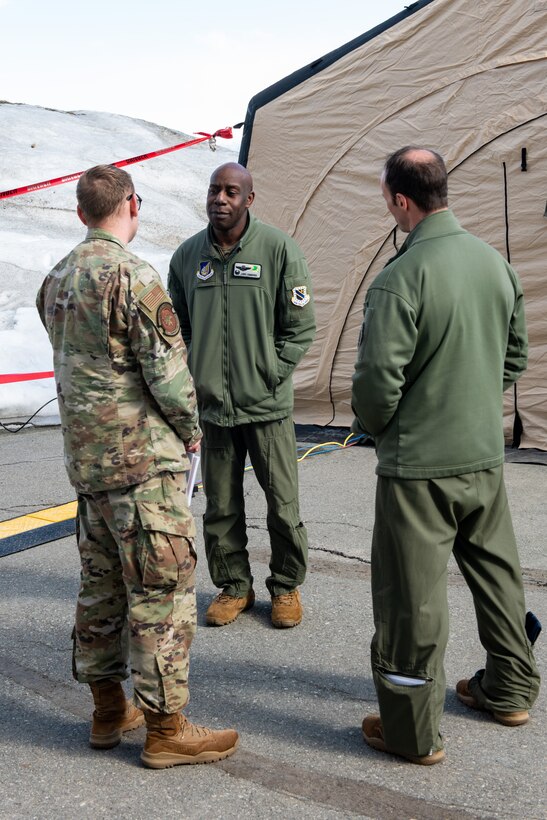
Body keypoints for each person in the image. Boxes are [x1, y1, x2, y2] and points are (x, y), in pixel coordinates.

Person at [36, 164, 238, 769]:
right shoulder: (134, 275)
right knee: (161, 592)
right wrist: (192, 432)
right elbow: (168, 375)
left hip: (89, 467)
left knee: (101, 589)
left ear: (81, 213)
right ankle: (165, 728)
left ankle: (107, 710)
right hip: (142, 468)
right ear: (131, 204)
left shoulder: (57, 279)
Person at [351, 147, 540, 765]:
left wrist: (381, 428)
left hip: (418, 468)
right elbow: (515, 357)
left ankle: (411, 733)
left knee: (412, 603)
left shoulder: (400, 278)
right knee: (498, 578)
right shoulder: (495, 264)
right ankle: (510, 690)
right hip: (482, 457)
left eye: (386, 196)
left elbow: (378, 386)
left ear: (400, 200)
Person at [168, 162, 315, 629]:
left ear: (248, 199)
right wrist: (198, 369)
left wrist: (270, 372)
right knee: (221, 506)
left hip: (267, 406)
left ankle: (286, 586)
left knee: (282, 504)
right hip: (213, 408)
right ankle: (234, 587)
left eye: (231, 191)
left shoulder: (278, 250)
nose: (220, 199)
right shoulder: (189, 257)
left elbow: (300, 327)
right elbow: (181, 325)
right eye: (214, 190)